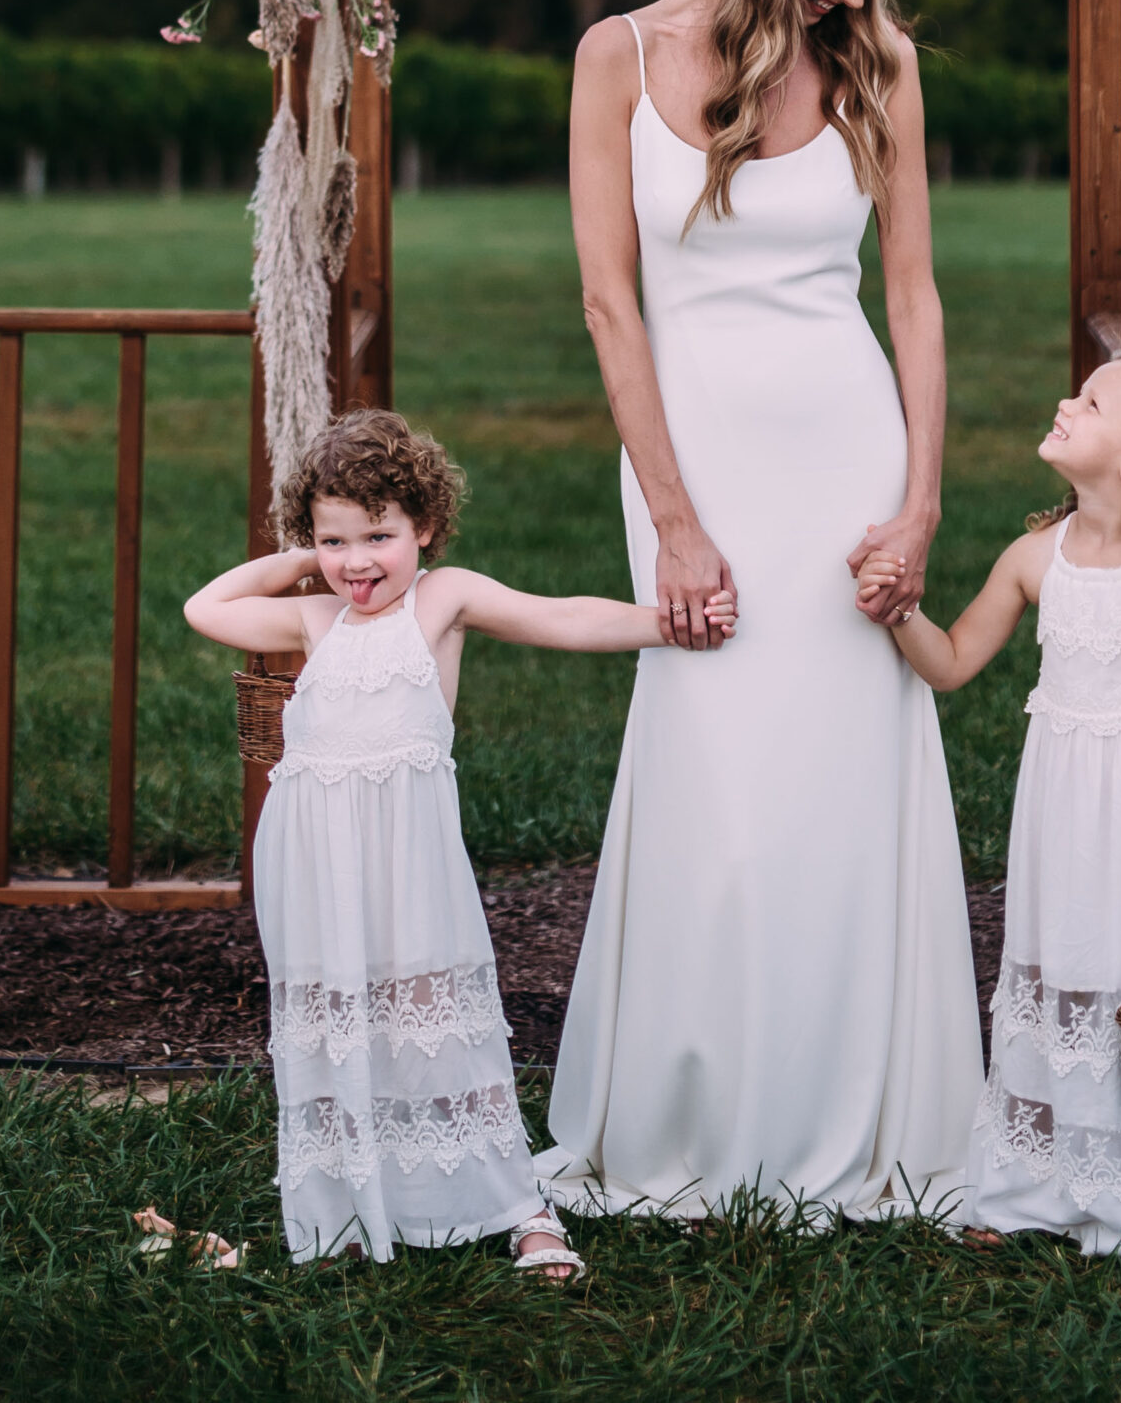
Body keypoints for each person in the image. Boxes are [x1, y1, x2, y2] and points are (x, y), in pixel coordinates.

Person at [541, 0, 984, 1223]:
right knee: (720, 778)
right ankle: (703, 1109)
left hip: (846, 451)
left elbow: (911, 297)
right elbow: (611, 303)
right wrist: (673, 519)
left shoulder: (882, 65)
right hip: (696, 465)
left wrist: (920, 500)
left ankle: (858, 1113)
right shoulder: (620, 55)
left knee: (847, 786)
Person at [184, 406, 733, 1273]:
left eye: (378, 535)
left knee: (438, 1021)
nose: (357, 561)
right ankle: (352, 1200)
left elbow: (565, 618)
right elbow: (204, 605)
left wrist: (666, 623)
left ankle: (520, 1207)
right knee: (343, 1025)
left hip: (409, 859)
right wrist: (304, 557)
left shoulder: (441, 601)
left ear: (425, 528)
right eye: (336, 540)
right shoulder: (313, 621)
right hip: (312, 861)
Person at [857, 350, 1121, 1266]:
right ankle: (1032, 1182)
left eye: (1091, 402)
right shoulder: (1031, 559)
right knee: (1065, 963)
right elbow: (955, 661)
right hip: (1061, 815)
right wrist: (899, 614)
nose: (1065, 401)